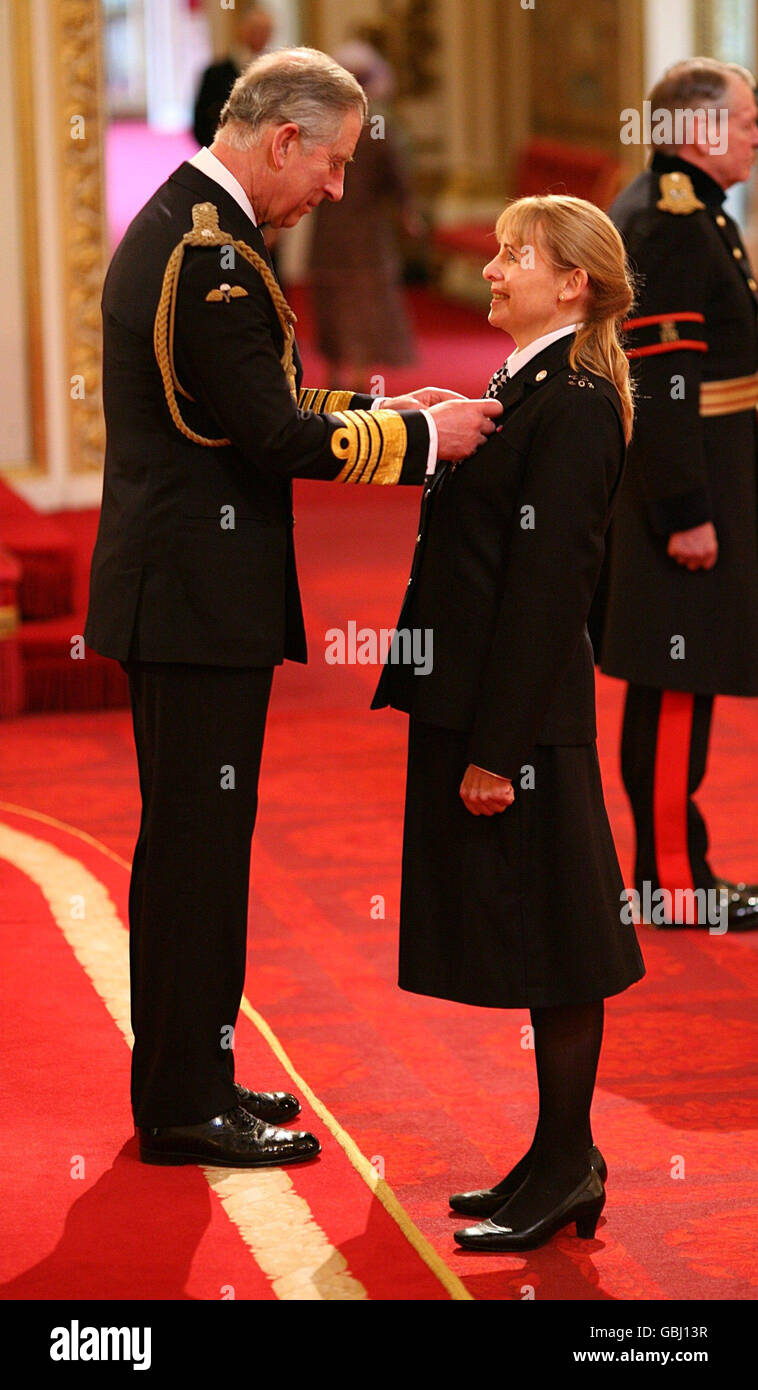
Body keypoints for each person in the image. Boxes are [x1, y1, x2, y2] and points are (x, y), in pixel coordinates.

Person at [84, 47, 501, 1170]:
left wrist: (381, 404)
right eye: (330, 164)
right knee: (194, 858)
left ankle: (197, 1073)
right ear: (282, 141)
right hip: (189, 602)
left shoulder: (199, 229)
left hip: (187, 593)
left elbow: (247, 402)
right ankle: (181, 1099)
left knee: (202, 852)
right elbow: (268, 436)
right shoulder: (209, 255)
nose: (333, 188)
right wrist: (419, 439)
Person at [372, 194, 645, 1252]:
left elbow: (546, 589)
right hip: (491, 706)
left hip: (521, 724)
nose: (488, 269)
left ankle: (569, 1162)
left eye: (510, 255)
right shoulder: (531, 383)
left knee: (560, 944)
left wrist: (496, 750)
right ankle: (551, 1155)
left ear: (571, 282)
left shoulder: (571, 399)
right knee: (538, 937)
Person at [599, 58, 758, 930]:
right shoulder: (668, 223)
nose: (756, 135)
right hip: (681, 499)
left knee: (684, 684)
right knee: (673, 683)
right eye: (744, 121)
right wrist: (685, 513)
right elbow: (662, 392)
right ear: (697, 131)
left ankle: (680, 871)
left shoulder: (697, 214)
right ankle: (669, 886)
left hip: (705, 487)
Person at [307, 40, 417, 392]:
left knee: (333, 296)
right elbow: (397, 174)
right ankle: (357, 370)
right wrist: (406, 211)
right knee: (364, 299)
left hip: (329, 223)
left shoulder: (326, 122)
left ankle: (336, 367)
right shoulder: (380, 121)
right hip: (367, 229)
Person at [192, 3, 273, 151]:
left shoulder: (274, 73)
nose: (260, 35)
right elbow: (200, 123)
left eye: (265, 30)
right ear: (242, 30)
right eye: (255, 30)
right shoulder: (215, 73)